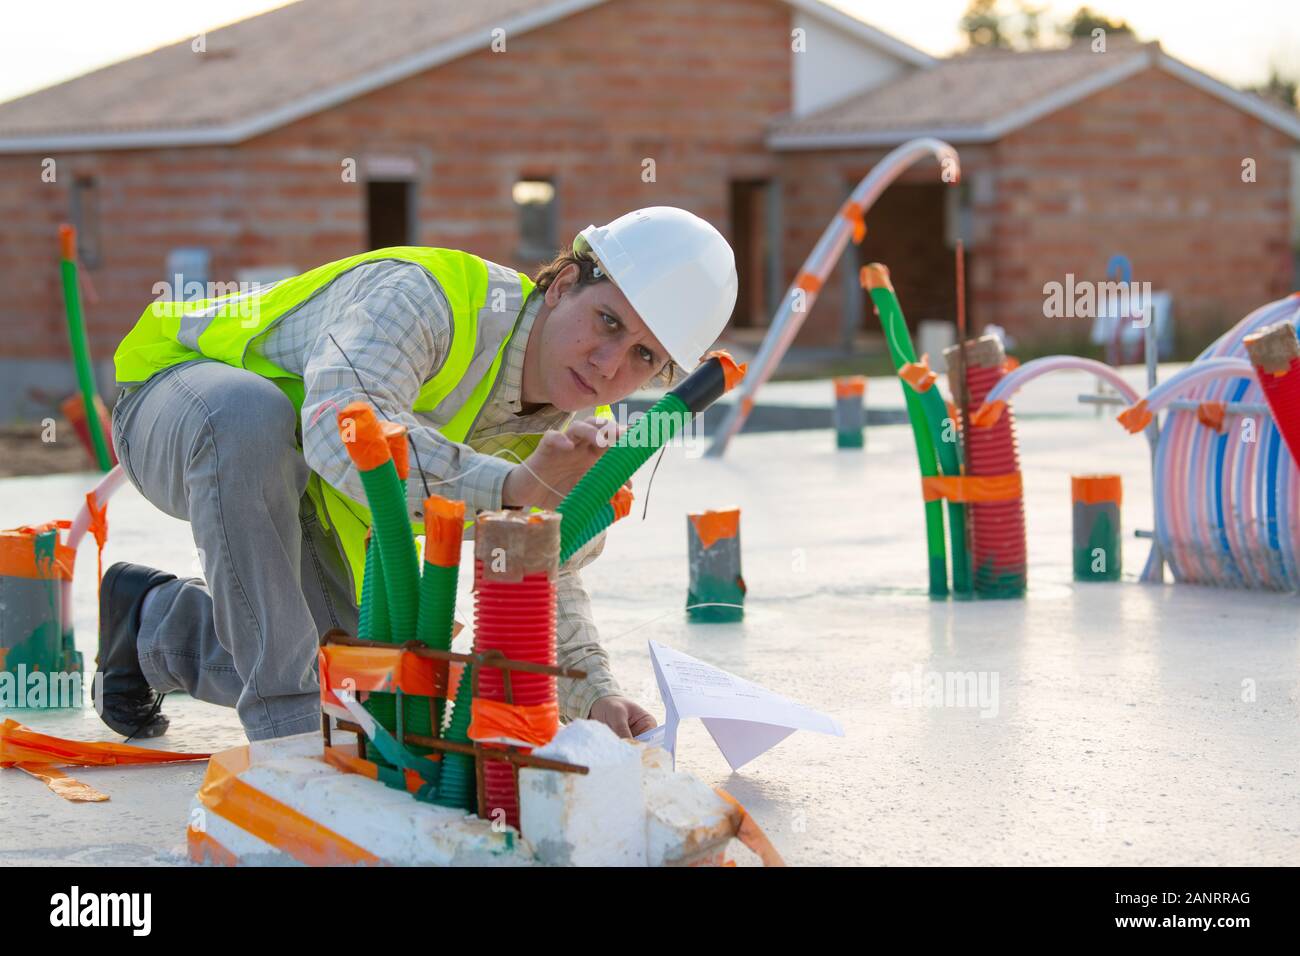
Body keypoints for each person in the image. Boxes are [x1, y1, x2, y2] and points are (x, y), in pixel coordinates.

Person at [96, 206, 739, 745]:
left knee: (372, 698)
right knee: (250, 415)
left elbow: (552, 571)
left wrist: (594, 697)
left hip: (309, 497)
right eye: (609, 322)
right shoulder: (426, 298)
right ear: (566, 282)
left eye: (643, 356)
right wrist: (512, 488)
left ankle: (153, 626)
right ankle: (284, 745)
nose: (607, 363)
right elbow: (337, 429)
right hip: (181, 405)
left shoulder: (571, 434)